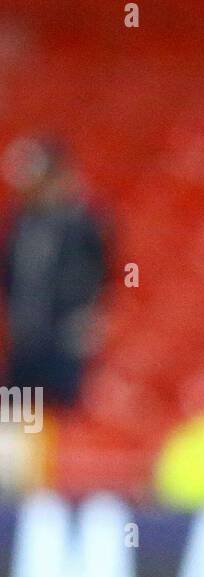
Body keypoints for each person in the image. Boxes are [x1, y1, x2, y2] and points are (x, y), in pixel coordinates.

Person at [0, 135, 109, 409]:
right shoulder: (20, 222)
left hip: (66, 338)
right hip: (24, 337)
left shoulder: (86, 222)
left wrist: (99, 314)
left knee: (62, 414)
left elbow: (124, 271)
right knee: (18, 415)